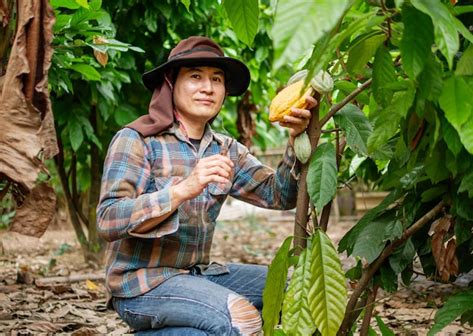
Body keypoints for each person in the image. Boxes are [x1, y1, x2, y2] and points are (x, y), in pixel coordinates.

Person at [97, 36, 316, 335]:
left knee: (301, 295)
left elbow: (278, 195)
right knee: (239, 318)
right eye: (196, 76)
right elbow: (109, 220)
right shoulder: (136, 140)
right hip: (141, 285)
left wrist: (295, 143)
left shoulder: (227, 149)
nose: (208, 87)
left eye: (217, 79)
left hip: (198, 276)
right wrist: (184, 188)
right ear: (171, 83)